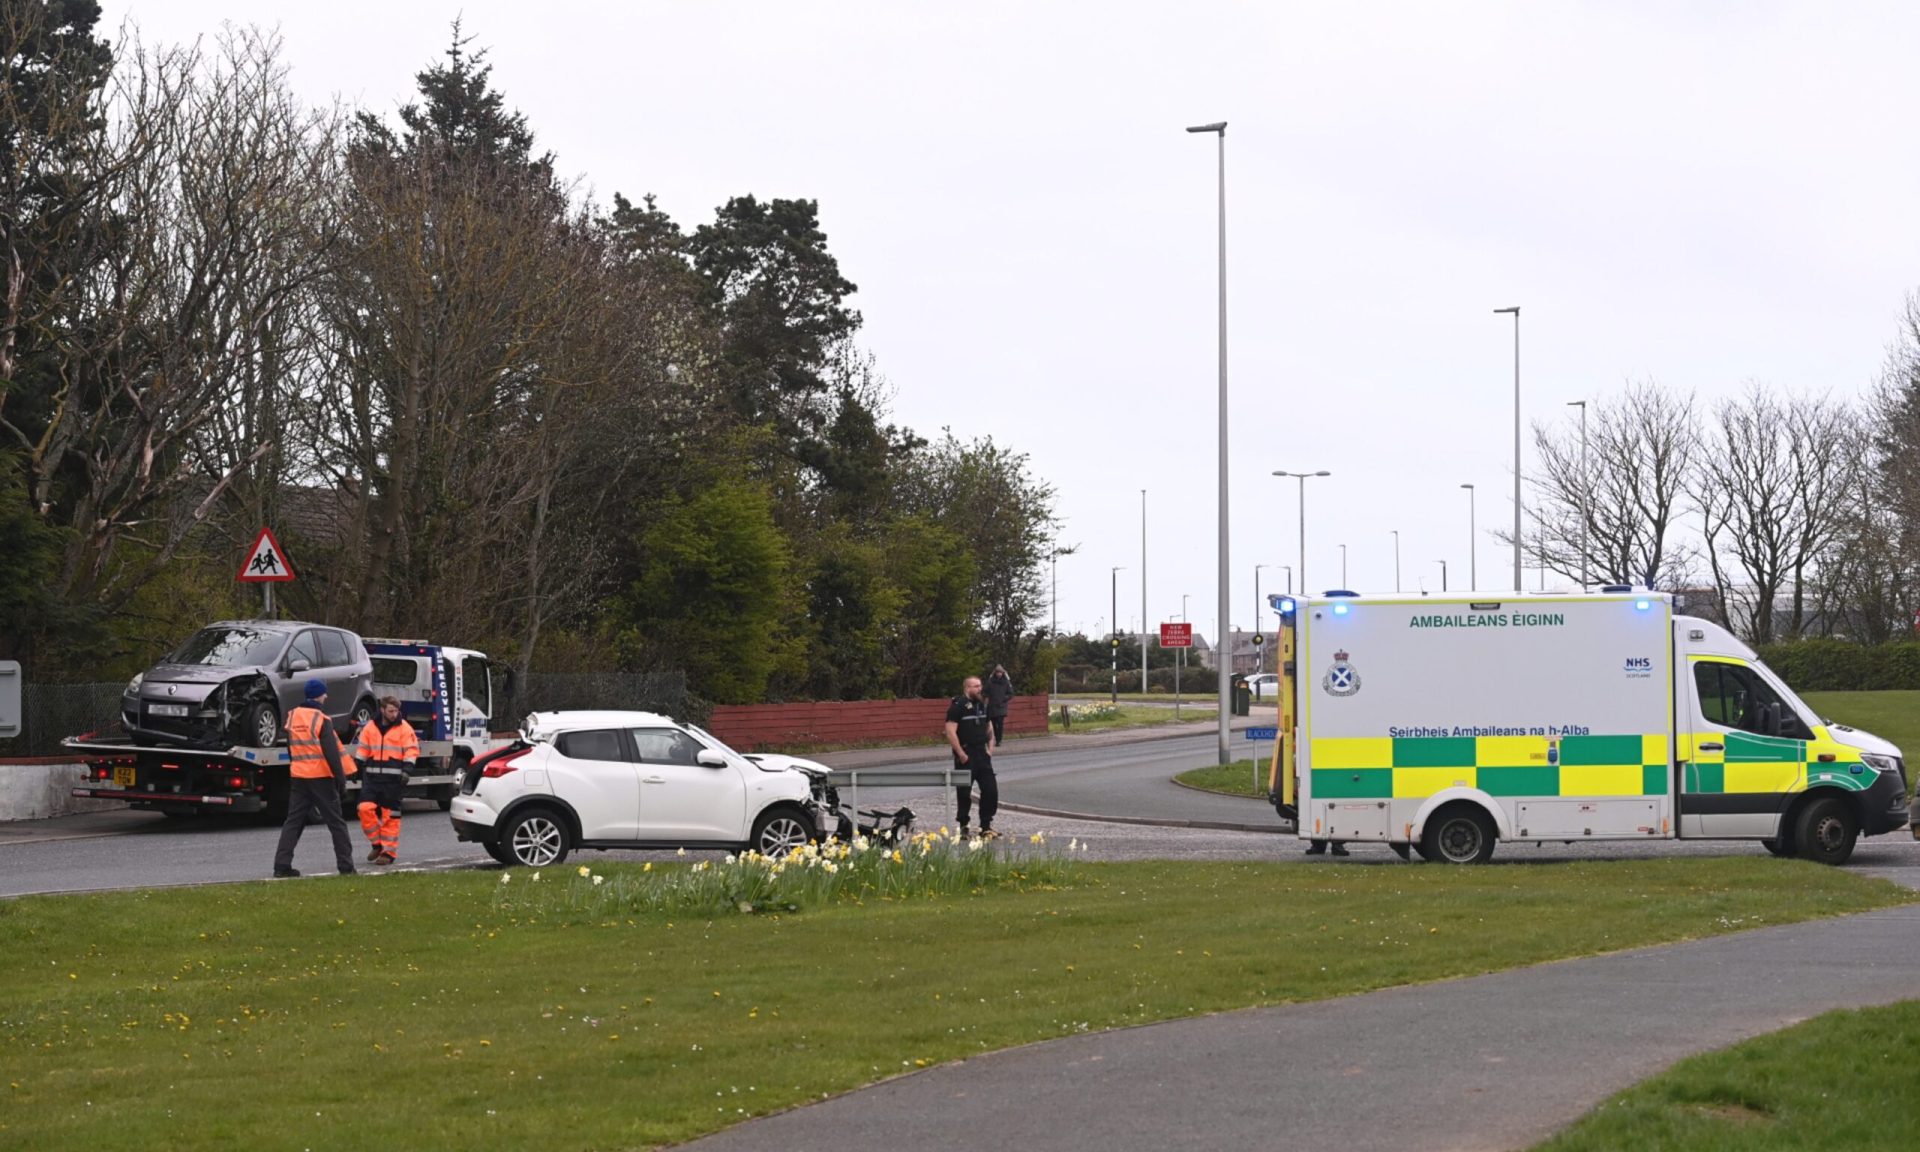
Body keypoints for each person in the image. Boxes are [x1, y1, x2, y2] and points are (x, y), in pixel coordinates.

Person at [272, 680, 357, 878]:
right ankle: (346, 867)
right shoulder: (321, 719)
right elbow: (331, 753)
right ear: (319, 695)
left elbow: (291, 748)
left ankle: (281, 866)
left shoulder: (293, 716)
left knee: (293, 822)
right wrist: (341, 780)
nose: (326, 696)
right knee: (337, 824)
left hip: (299, 776)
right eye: (324, 694)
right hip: (321, 778)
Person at [355, 696, 418, 865]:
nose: (394, 714)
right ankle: (377, 843)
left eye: (396, 711)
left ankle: (388, 853)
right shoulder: (370, 727)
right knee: (364, 809)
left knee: (391, 816)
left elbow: (411, 751)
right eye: (391, 711)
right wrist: (357, 765)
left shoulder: (404, 729)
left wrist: (407, 771)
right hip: (372, 778)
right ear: (382, 710)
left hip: (394, 780)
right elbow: (363, 749)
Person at [944, 675, 997, 838]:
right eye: (976, 686)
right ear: (967, 688)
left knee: (990, 790)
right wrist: (960, 753)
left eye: (980, 686)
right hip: (966, 754)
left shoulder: (982, 705)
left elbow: (989, 727)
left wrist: (990, 749)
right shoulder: (957, 706)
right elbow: (950, 731)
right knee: (964, 792)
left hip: (982, 754)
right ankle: (964, 825)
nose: (980, 689)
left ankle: (986, 825)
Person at [984, 664, 1015, 749]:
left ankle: (999, 740)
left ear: (1002, 673)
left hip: (1001, 706)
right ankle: (994, 738)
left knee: (1000, 723)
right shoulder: (990, 681)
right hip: (992, 706)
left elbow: (1011, 694)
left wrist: (1004, 699)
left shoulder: (1006, 682)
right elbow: (985, 691)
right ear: (995, 673)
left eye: (1000, 672)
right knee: (993, 724)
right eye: (997, 672)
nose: (999, 674)